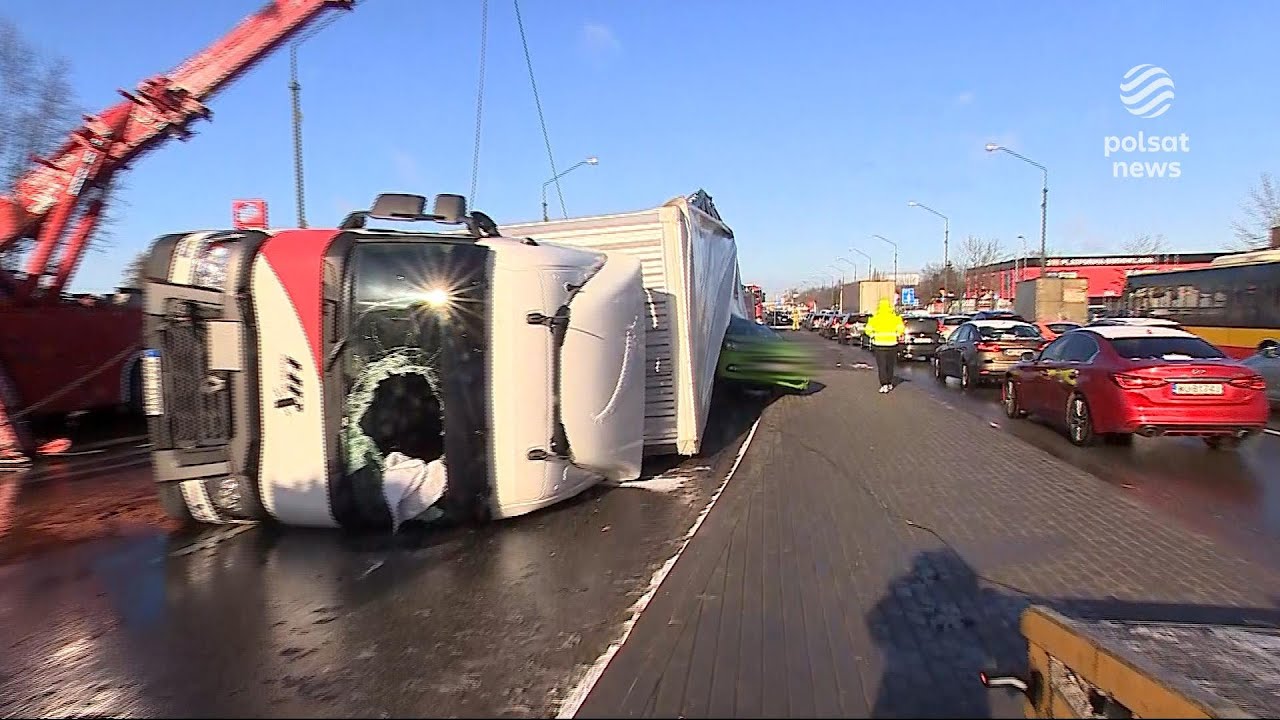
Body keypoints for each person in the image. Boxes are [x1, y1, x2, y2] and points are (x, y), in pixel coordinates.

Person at [865, 298, 906, 393]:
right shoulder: (895, 318)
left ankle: (884, 384)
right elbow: (901, 329)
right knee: (890, 365)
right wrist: (896, 335)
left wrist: (873, 336)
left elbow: (868, 330)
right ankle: (889, 382)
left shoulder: (875, 318)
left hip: (879, 345)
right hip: (892, 344)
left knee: (882, 366)